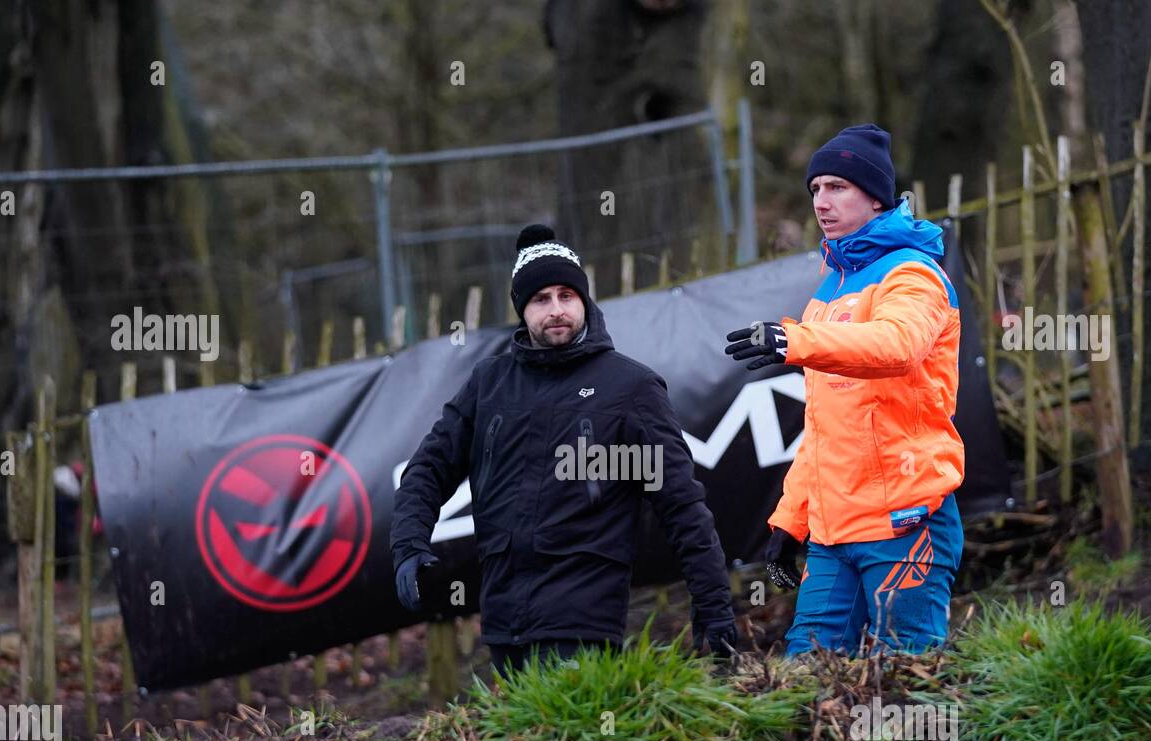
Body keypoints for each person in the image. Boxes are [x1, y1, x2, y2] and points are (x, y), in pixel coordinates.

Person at [391, 224, 738, 677]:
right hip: (503, 628)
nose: (556, 310)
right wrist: (409, 541)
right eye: (541, 299)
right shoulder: (489, 383)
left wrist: (714, 608)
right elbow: (429, 468)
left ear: (584, 302)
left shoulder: (629, 387)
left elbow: (682, 506)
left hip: (584, 625)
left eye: (566, 295)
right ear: (522, 309)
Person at [722, 124, 965, 655]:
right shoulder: (829, 290)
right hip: (832, 535)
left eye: (837, 187)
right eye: (814, 189)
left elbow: (897, 344)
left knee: (905, 678)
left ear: (876, 196)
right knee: (807, 678)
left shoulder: (914, 274)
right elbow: (823, 427)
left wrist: (795, 339)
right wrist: (791, 518)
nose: (821, 202)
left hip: (906, 517)